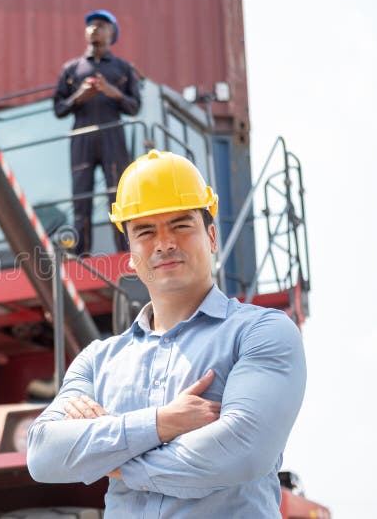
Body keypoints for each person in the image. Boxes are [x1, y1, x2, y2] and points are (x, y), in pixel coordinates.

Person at [26, 150, 307, 517]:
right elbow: (44, 454)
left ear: (210, 236)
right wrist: (163, 423)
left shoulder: (260, 333)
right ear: (130, 253)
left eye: (180, 224)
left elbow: (241, 451)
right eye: (145, 231)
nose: (164, 243)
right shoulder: (97, 361)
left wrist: (107, 459)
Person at [53, 9, 141, 256]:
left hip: (113, 136)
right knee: (81, 197)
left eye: (101, 25)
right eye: (90, 25)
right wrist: (79, 96)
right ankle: (81, 254)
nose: (94, 29)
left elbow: (135, 106)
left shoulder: (123, 68)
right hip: (81, 137)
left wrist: (113, 92)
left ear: (112, 33)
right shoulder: (72, 69)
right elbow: (58, 108)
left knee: (118, 194)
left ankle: (126, 252)